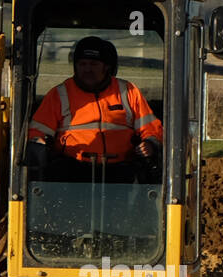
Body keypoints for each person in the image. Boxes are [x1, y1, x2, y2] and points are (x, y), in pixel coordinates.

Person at [25, 36, 162, 182]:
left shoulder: (128, 91)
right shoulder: (59, 94)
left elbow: (152, 128)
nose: (87, 69)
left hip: (121, 174)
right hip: (71, 173)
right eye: (82, 64)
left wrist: (150, 144)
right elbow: (37, 132)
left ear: (107, 66)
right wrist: (40, 145)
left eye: (93, 64)